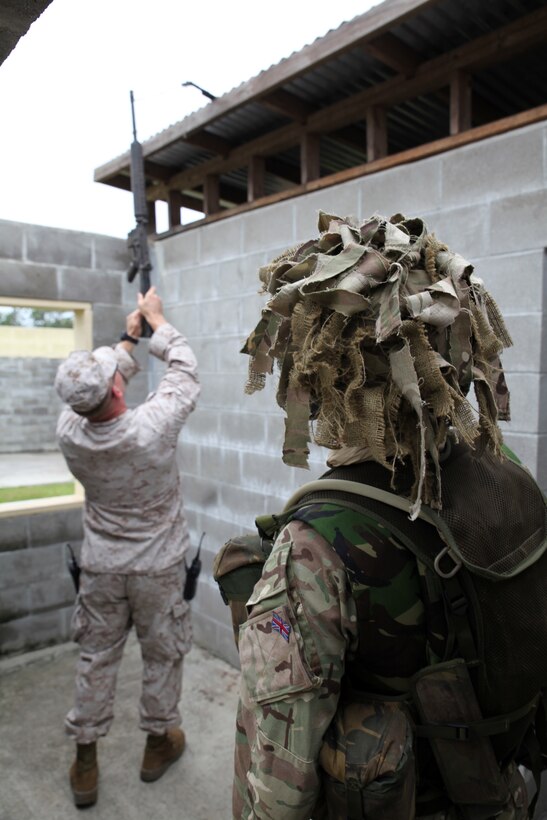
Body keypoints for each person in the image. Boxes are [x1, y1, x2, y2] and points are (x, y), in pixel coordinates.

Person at [230, 212, 546, 819]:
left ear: (319, 372)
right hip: (505, 793)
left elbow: (276, 779)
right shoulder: (505, 470)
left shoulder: (314, 546)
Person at [54, 286, 200, 808]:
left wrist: (126, 338)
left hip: (101, 568)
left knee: (96, 657)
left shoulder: (70, 429)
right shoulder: (150, 429)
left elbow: (97, 387)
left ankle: (86, 761)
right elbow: (184, 371)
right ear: (117, 391)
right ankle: (158, 743)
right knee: (162, 655)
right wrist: (158, 322)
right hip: (157, 569)